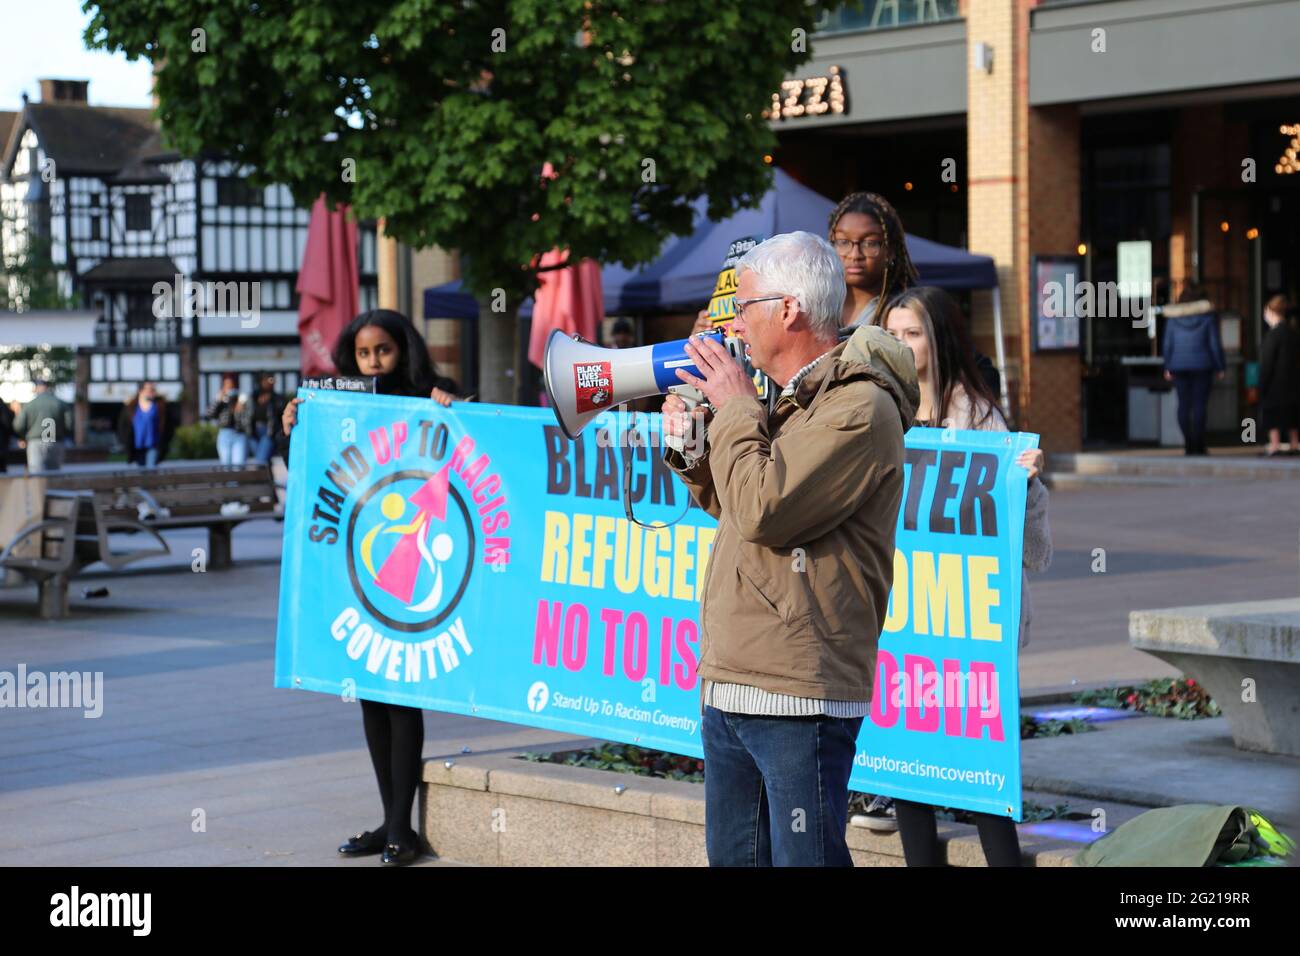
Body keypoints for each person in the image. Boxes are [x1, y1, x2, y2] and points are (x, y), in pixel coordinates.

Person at [661, 232, 919, 866]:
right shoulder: (788, 395)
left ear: (790, 310)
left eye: (744, 306)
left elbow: (764, 509)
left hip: (797, 691)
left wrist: (736, 410)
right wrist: (695, 446)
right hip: (737, 677)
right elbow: (736, 504)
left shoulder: (858, 407)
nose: (732, 324)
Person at [882, 285, 1053, 867]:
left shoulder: (979, 417)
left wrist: (1025, 486)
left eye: (913, 333)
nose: (901, 345)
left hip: (967, 621)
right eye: (892, 333)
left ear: (940, 338)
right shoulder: (881, 409)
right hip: (901, 613)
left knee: (979, 762)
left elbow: (1033, 552)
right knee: (905, 758)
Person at [282, 308, 457, 867]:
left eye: (383, 350)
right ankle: (389, 822)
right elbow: (316, 469)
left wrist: (456, 413)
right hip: (366, 568)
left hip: (418, 564)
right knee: (373, 697)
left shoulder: (435, 393)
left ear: (403, 349)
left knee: (404, 701)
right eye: (363, 354)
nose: (373, 361)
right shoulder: (339, 404)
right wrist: (293, 422)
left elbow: (469, 457)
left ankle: (403, 829)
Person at [828, 191, 919, 329]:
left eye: (869, 243)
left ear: (890, 251)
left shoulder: (904, 311)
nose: (855, 255)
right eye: (843, 241)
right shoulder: (818, 306)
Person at [1161, 285, 1225, 456]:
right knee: (1199, 405)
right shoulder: (1208, 317)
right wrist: (1220, 366)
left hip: (1178, 366)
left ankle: (1188, 444)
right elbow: (1214, 344)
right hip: (1203, 365)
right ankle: (1198, 445)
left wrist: (1167, 366)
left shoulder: (1172, 318)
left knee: (1183, 405)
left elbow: (1167, 344)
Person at [1258, 294, 1299, 457]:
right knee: (1293, 414)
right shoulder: (1293, 333)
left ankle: (1274, 445)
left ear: (1271, 312)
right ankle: (1295, 443)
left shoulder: (1272, 335)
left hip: (1275, 383)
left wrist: (1262, 383)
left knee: (1272, 413)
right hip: (1293, 382)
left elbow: (1267, 362)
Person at [13, 379, 72, 473]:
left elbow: (18, 425)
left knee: (36, 475)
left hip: (36, 442)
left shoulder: (29, 405)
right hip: (55, 440)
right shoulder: (61, 404)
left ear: (37, 388)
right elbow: (69, 425)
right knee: (54, 474)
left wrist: (23, 437)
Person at [117, 381, 172, 467]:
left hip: (153, 444)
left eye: (154, 390)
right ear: (140, 391)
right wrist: (124, 442)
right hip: (137, 445)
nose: (153, 392)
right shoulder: (131, 407)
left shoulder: (160, 406)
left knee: (151, 468)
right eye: (150, 390)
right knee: (141, 470)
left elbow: (168, 426)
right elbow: (123, 426)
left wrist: (166, 441)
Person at [208, 373, 250, 465]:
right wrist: (218, 400)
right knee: (226, 465)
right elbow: (210, 414)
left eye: (231, 385)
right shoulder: (221, 400)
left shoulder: (241, 399)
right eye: (227, 385)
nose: (229, 388)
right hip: (224, 433)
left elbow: (247, 420)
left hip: (239, 434)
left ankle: (236, 480)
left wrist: (241, 407)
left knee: (238, 464)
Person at [248, 373, 284, 464]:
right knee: (263, 460)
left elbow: (280, 415)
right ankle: (267, 477)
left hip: (269, 431)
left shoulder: (277, 398)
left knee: (261, 460)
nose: (269, 383)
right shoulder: (254, 396)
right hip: (254, 432)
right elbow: (248, 415)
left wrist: (271, 400)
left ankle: (258, 478)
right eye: (267, 380)